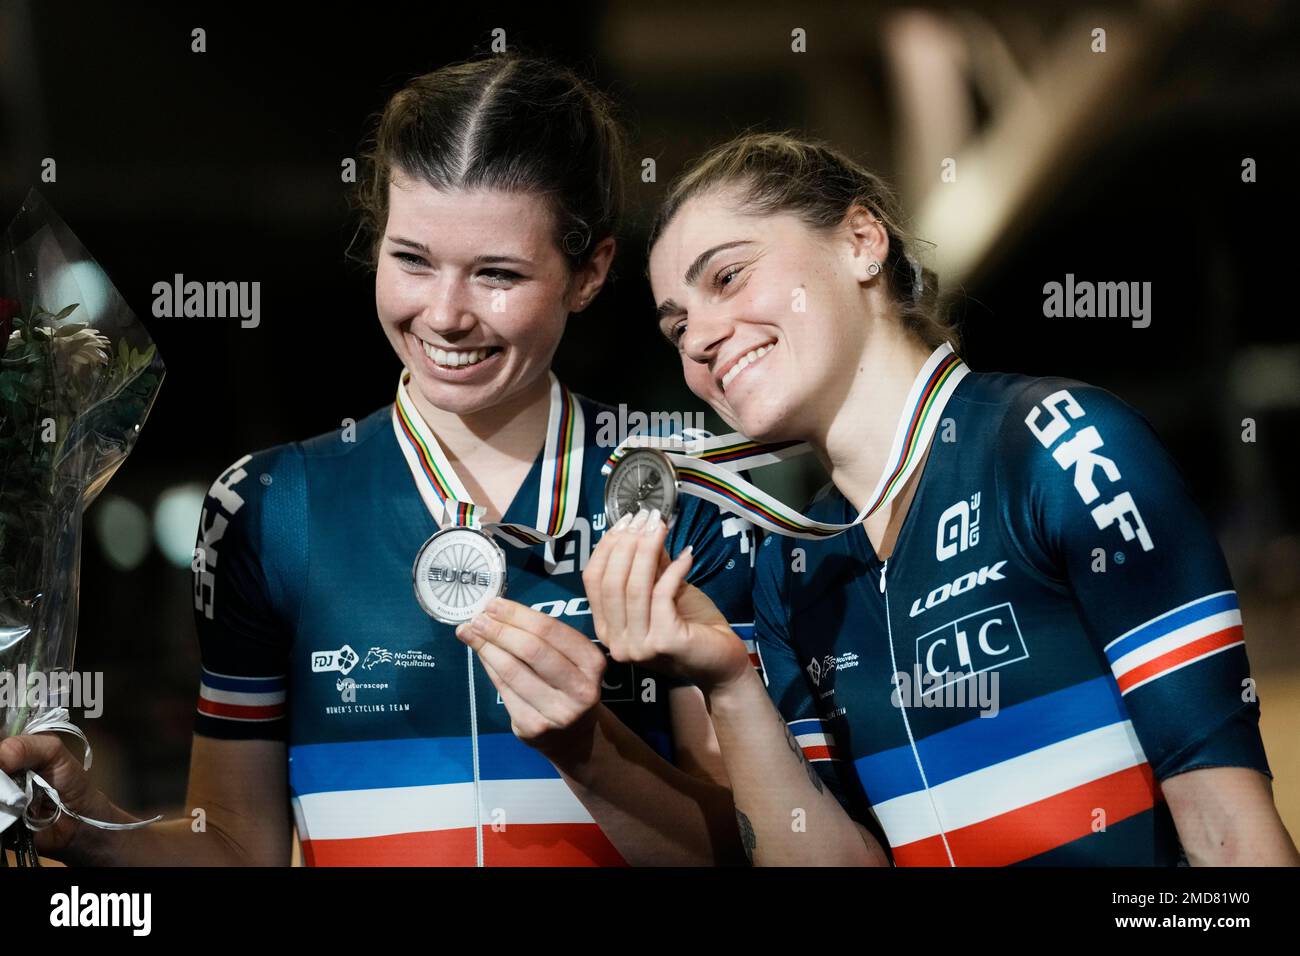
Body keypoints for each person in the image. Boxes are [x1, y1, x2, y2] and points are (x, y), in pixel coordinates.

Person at [0, 55, 753, 867]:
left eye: (497, 273)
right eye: (412, 259)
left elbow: (753, 846)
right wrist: (84, 828)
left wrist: (593, 756)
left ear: (591, 271)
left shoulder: (685, 491)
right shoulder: (269, 508)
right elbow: (237, 851)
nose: (445, 314)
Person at [577, 131, 1300, 866]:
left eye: (727, 278)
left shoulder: (1056, 447)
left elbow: (1230, 836)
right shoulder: (792, 568)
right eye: (676, 325)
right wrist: (728, 683)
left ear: (862, 241)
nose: (698, 336)